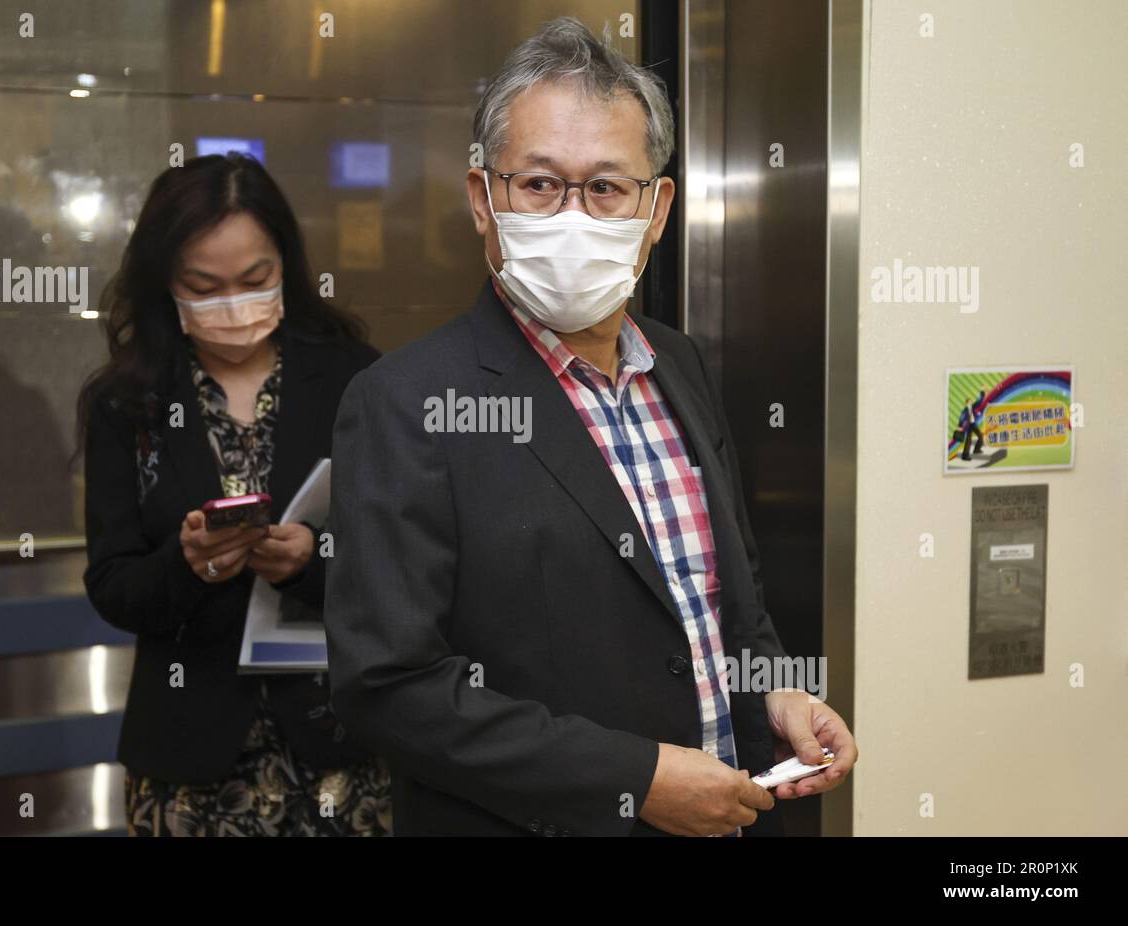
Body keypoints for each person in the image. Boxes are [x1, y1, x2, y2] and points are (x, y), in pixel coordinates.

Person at [324, 18, 857, 836]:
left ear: (656, 210)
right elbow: (388, 689)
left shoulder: (678, 365)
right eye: (539, 185)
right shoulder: (404, 401)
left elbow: (726, 605)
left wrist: (778, 691)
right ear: (482, 200)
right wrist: (634, 779)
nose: (573, 215)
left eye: (607, 188)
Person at [77, 154, 388, 836]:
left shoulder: (353, 379)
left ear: (287, 265)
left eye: (255, 280)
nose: (234, 303)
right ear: (166, 283)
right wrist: (187, 566)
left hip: (339, 751)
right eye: (204, 285)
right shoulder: (127, 404)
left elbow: (407, 560)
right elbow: (112, 584)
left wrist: (313, 558)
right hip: (189, 764)